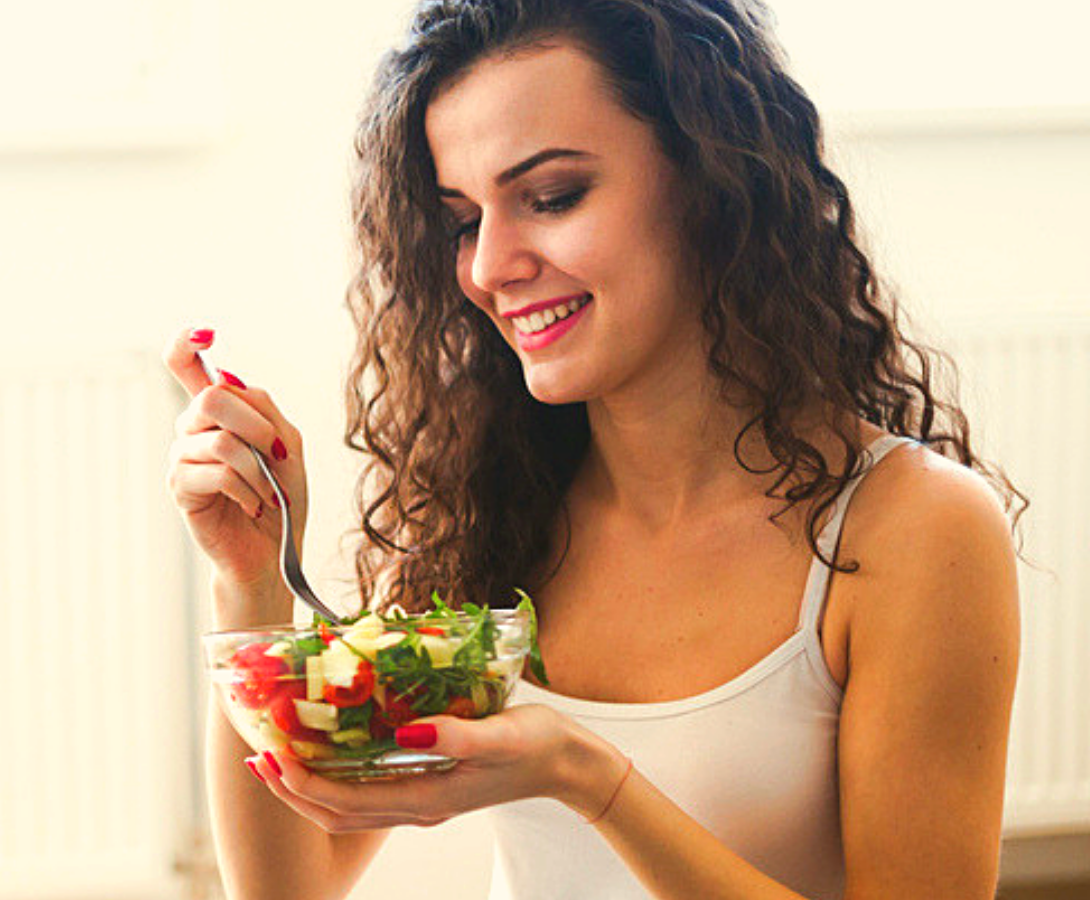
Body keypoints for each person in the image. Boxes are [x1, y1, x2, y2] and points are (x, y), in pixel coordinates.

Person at [163, 1, 1029, 897]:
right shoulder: (493, 508)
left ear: (711, 180)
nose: (489, 266)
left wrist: (588, 779)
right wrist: (251, 579)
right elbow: (289, 887)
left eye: (550, 198)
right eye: (464, 219)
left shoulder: (913, 530)